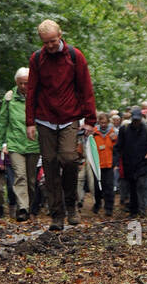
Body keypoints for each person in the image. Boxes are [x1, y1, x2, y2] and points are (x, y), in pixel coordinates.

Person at [25, 20, 97, 231]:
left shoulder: (75, 56)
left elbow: (86, 88)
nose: (50, 46)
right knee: (49, 165)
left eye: (53, 41)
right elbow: (32, 91)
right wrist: (30, 122)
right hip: (45, 119)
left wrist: (90, 120)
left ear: (61, 35)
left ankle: (71, 204)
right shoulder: (37, 59)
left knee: (68, 158)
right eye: (45, 42)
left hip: (69, 118)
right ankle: (57, 214)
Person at [0, 68, 37, 222]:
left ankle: (32, 206)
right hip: (15, 144)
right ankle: (23, 208)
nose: (23, 86)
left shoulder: (38, 96)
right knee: (20, 176)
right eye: (20, 83)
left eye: (26, 83)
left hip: (34, 143)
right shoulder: (9, 98)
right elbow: (2, 122)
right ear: (16, 83)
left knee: (32, 180)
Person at [117, 106, 147, 217]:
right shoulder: (124, 130)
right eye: (134, 120)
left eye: (138, 120)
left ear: (141, 119)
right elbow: (118, 146)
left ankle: (143, 211)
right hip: (128, 164)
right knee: (132, 188)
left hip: (142, 163)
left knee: (142, 186)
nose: (136, 122)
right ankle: (133, 211)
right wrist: (118, 160)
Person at [91, 111, 117, 215]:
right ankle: (97, 204)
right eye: (101, 122)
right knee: (97, 187)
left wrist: (115, 163)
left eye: (105, 122)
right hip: (97, 165)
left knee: (109, 187)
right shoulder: (94, 134)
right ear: (98, 122)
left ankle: (109, 208)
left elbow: (117, 149)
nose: (103, 125)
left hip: (109, 164)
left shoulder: (113, 133)